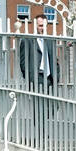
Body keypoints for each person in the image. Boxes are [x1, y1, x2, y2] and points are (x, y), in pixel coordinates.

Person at [16, 15, 61, 144]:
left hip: (49, 78)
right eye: (40, 26)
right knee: (39, 106)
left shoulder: (50, 40)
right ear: (36, 25)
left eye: (44, 26)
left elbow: (54, 58)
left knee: (54, 105)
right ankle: (42, 134)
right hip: (37, 77)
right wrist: (30, 78)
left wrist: (56, 74)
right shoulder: (27, 40)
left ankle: (42, 121)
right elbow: (23, 62)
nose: (42, 28)